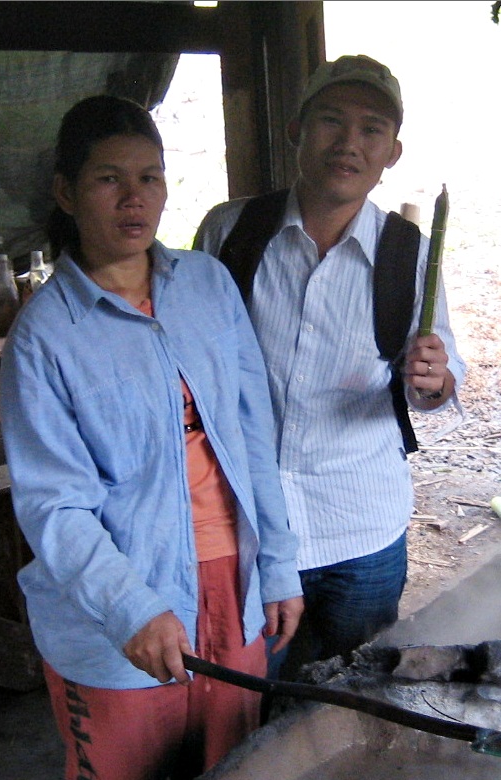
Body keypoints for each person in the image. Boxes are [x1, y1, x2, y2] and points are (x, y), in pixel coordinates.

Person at [0, 95, 304, 780]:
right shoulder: (45, 334)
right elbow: (56, 507)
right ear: (66, 192)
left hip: (230, 588)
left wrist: (277, 564)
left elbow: (250, 432)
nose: (135, 199)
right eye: (109, 179)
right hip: (115, 612)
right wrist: (131, 605)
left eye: (150, 177)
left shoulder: (205, 284)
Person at [194, 55, 466, 682]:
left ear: (392, 152)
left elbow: (438, 381)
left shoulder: (407, 254)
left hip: (360, 531)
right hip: (248, 529)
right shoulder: (231, 232)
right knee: (245, 703)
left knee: (354, 699)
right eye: (330, 122)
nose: (349, 144)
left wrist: (431, 382)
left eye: (371, 129)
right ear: (297, 130)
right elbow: (190, 364)